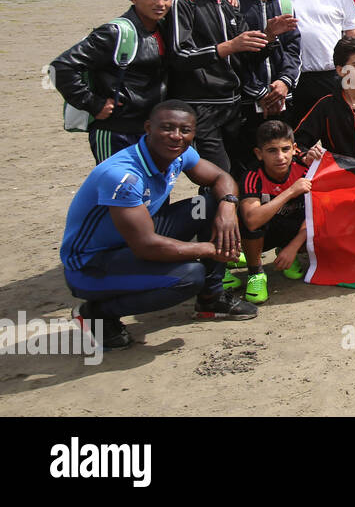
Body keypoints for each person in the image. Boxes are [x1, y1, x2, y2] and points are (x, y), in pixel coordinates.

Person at [60, 101, 257, 350]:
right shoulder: (123, 176)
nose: (176, 136)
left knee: (209, 203)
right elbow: (146, 246)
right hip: (91, 264)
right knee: (189, 276)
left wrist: (228, 206)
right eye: (167, 128)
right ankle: (97, 314)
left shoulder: (181, 153)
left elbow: (220, 177)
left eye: (185, 130)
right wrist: (208, 250)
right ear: (148, 128)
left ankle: (212, 298)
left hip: (134, 237)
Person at [169, 0, 291, 174]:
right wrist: (229, 46)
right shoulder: (184, 3)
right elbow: (179, 57)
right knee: (218, 177)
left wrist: (269, 37)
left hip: (234, 107)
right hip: (202, 107)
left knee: (242, 172)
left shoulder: (228, 4)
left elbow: (247, 57)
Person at [52, 0, 174, 163]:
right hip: (116, 132)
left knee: (153, 192)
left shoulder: (165, 29)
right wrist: (92, 103)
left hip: (151, 131)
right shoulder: (115, 33)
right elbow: (62, 67)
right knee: (119, 191)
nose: (160, 3)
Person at [232, 0, 301, 175]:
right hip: (247, 102)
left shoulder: (284, 4)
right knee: (246, 165)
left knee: (282, 163)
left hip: (283, 99)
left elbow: (293, 50)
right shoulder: (233, 3)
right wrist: (260, 93)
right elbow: (235, 58)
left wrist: (284, 83)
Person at [234, 119, 311, 304]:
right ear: (259, 154)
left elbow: (318, 214)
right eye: (272, 151)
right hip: (264, 232)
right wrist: (290, 191)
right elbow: (252, 221)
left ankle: (286, 251)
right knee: (249, 220)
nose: (280, 157)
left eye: (285, 149)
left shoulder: (305, 170)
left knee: (322, 214)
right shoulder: (252, 176)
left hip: (292, 229)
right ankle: (255, 273)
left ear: (294, 148)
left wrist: (293, 247)